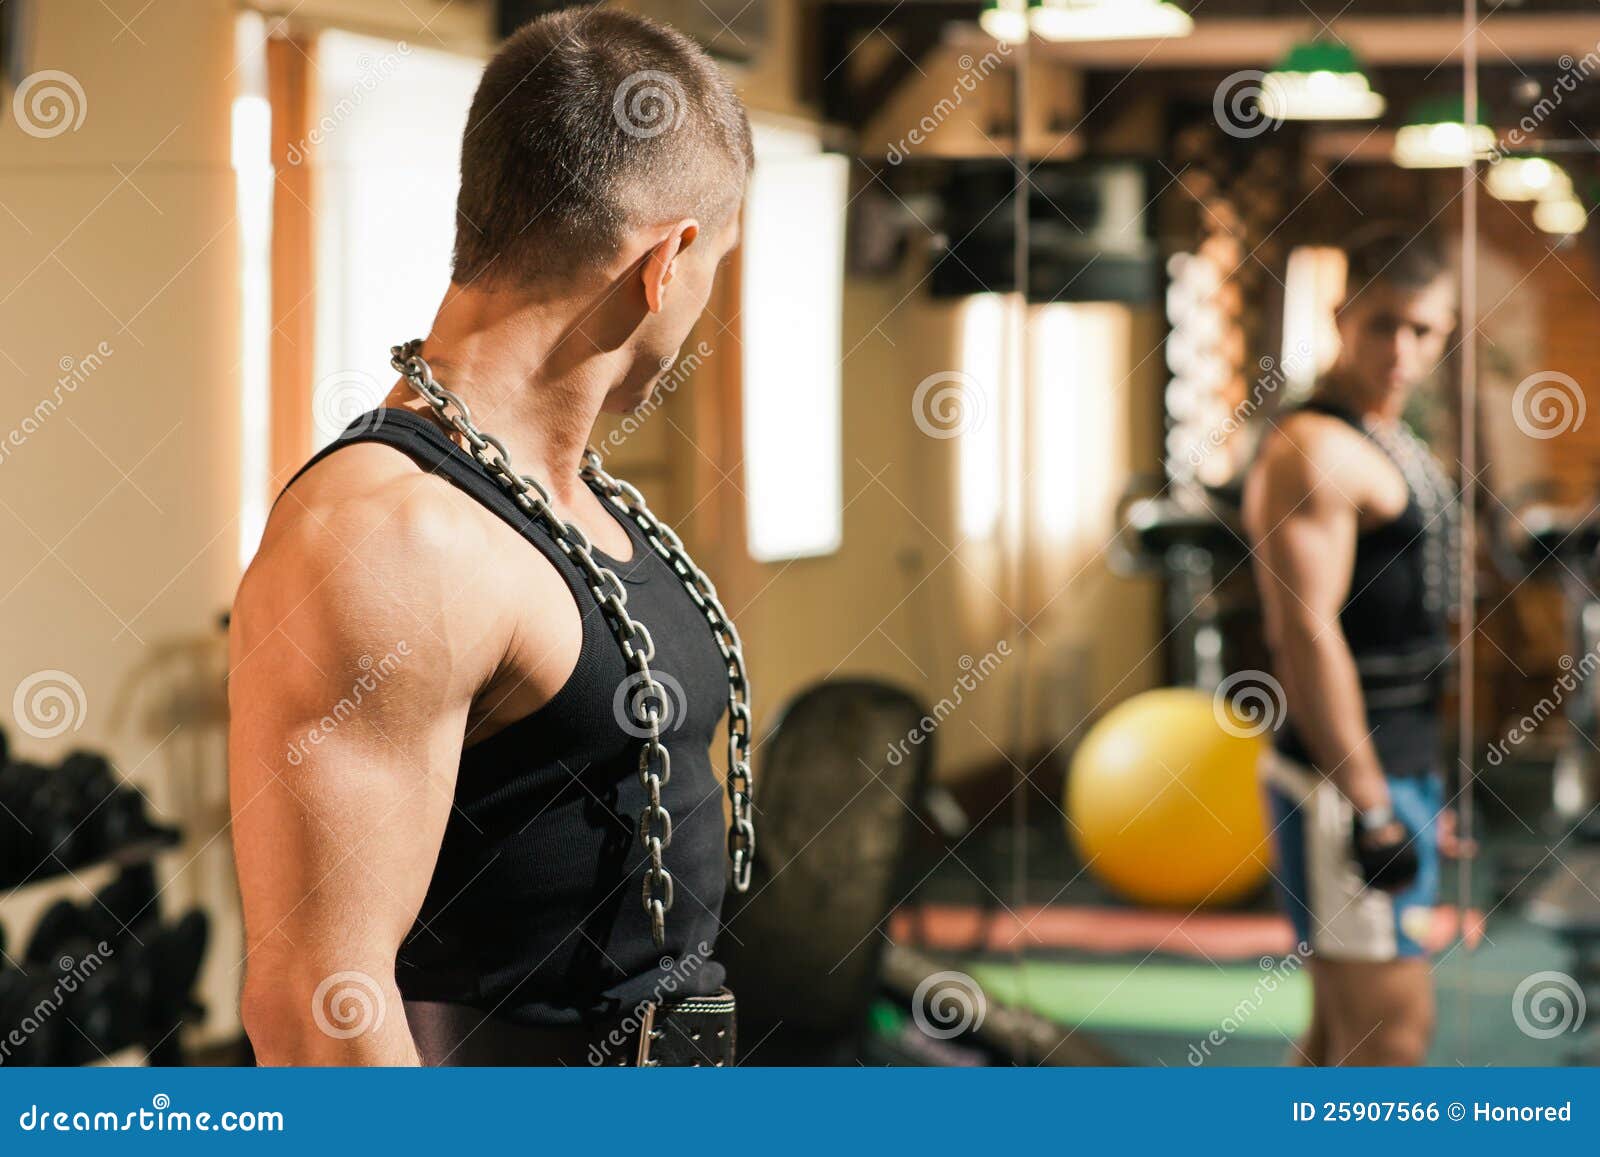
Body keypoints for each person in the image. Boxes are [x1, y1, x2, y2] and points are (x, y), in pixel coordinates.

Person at [227, 7, 754, 1066]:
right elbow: (316, 1004)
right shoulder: (395, 534)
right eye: (713, 276)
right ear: (669, 261)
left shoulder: (572, 498)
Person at [1244, 225, 1470, 1066]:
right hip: (1342, 776)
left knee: (1339, 1035)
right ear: (1342, 317)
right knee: (1393, 1040)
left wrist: (1418, 791)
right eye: (1383, 324)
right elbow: (1303, 632)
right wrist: (1373, 805)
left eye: (1425, 330)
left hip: (1395, 759)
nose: (1402, 350)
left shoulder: (1386, 432)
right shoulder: (1316, 447)